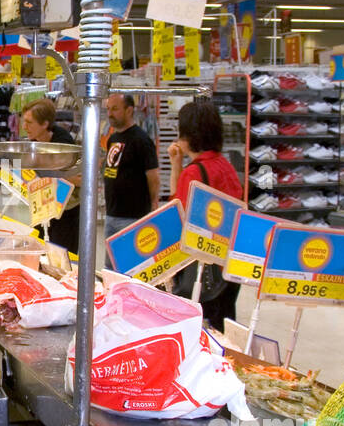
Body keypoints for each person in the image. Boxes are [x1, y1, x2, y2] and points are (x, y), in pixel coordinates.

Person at [168, 100, 243, 330]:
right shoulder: (225, 166)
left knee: (202, 333)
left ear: (187, 134)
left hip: (205, 270)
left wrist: (175, 166)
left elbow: (177, 217)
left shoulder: (193, 173)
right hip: (230, 266)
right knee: (223, 330)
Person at [21, 98, 81, 252]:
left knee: (62, 255)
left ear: (45, 124)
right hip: (43, 205)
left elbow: (79, 179)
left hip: (64, 211)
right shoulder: (36, 141)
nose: (24, 127)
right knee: (39, 248)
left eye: (29, 122)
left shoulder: (62, 144)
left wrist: (49, 173)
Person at [102, 93, 161, 240]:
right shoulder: (113, 139)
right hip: (111, 214)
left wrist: (153, 203)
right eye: (108, 109)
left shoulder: (141, 140)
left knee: (129, 262)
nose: (110, 114)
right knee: (110, 263)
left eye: (115, 109)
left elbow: (153, 176)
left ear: (129, 110)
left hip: (133, 216)